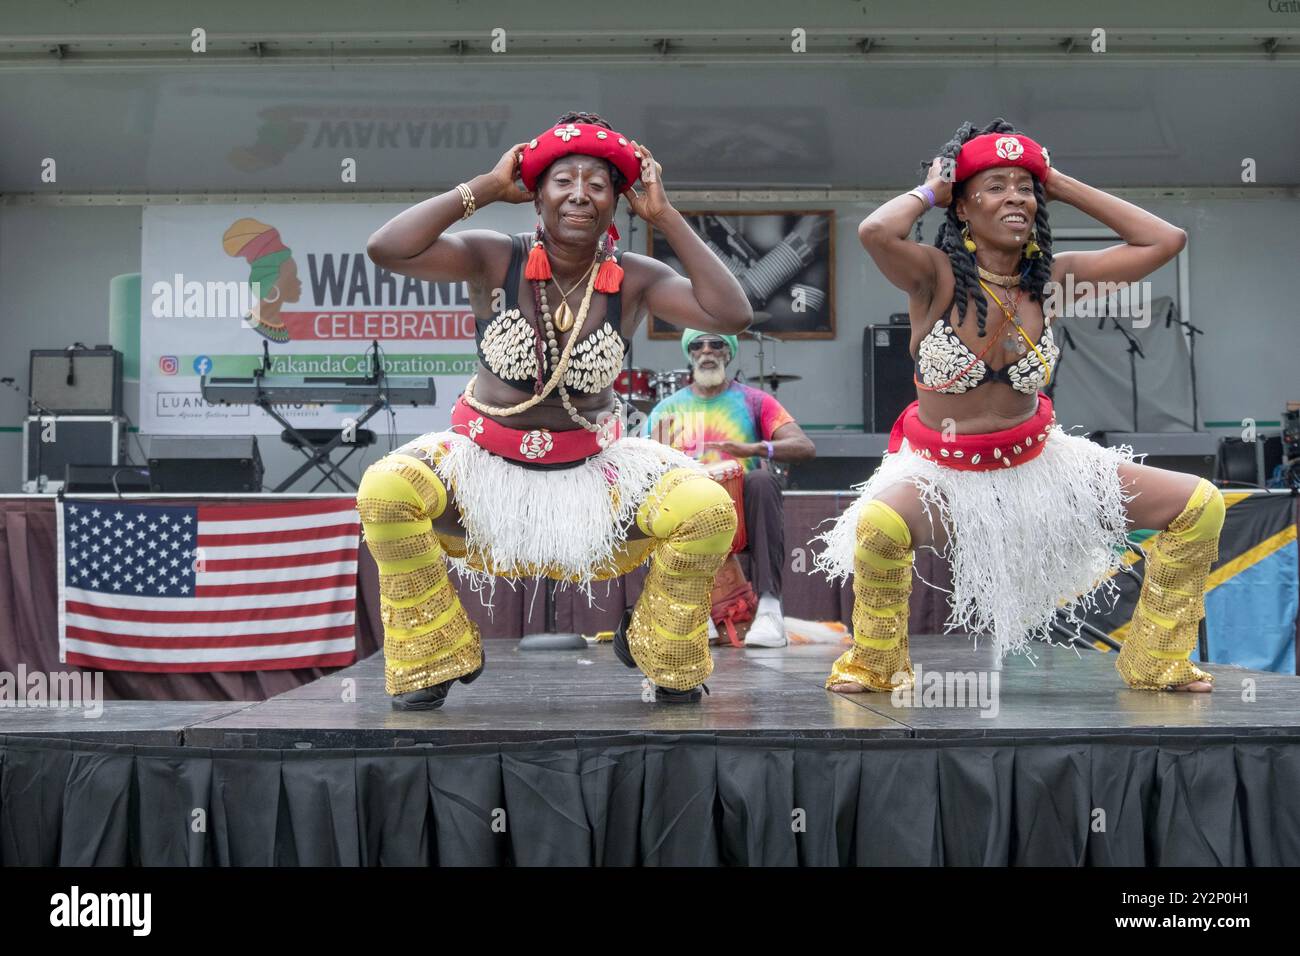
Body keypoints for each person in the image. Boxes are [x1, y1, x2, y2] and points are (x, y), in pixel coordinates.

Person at [355, 111, 752, 709]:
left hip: (591, 472)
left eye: (598, 184)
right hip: (480, 466)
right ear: (535, 194)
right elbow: (386, 248)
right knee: (385, 491)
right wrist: (484, 189)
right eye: (563, 180)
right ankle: (433, 651)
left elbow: (732, 314)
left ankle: (660, 645)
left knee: (708, 509)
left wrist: (665, 216)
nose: (579, 196)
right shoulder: (493, 257)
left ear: (618, 202)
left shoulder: (637, 277)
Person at [815, 118, 1221, 694]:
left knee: (1199, 505)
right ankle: (876, 663)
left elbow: (1166, 241)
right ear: (962, 206)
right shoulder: (932, 278)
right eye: (996, 185)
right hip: (943, 476)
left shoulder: (1054, 280)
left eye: (1024, 187)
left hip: (1039, 465)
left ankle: (1158, 658)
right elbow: (876, 232)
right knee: (880, 525)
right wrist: (933, 188)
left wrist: (1057, 180)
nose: (1016, 197)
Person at [645, 329, 815, 646]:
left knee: (762, 480)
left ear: (728, 353)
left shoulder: (754, 400)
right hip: (692, 519)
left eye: (716, 344)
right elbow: (645, 466)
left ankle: (769, 609)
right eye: (698, 345)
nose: (707, 351)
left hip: (743, 518)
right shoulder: (668, 410)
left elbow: (804, 446)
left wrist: (754, 449)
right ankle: (692, 610)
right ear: (690, 354)